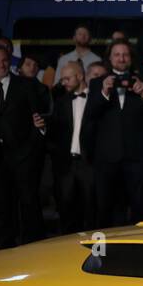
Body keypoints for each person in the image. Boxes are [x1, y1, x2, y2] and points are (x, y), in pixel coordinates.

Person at [0, 44, 49, 248]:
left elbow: (37, 117)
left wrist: (33, 146)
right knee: (1, 206)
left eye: (5, 60)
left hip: (23, 156)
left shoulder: (25, 85)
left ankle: (34, 249)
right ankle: (6, 250)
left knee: (28, 204)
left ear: (10, 61)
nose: (1, 65)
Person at [82, 41, 143, 226]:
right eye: (117, 54)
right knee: (107, 209)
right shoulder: (97, 84)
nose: (121, 58)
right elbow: (90, 116)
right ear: (110, 58)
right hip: (107, 159)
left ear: (131, 58)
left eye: (125, 55)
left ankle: (139, 249)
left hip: (137, 157)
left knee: (140, 208)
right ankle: (106, 252)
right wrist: (104, 93)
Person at [45, 61, 96, 233]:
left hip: (89, 164)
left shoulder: (97, 99)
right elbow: (54, 133)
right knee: (66, 212)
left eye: (67, 79)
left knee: (91, 212)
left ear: (80, 76)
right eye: (62, 79)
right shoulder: (60, 102)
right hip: (66, 165)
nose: (63, 83)